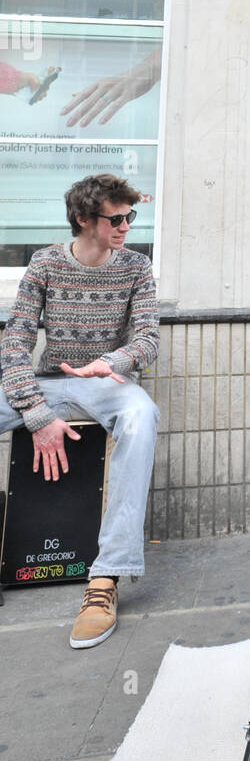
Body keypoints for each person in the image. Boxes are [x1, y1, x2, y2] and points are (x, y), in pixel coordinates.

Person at [0, 174, 159, 648]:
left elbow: (148, 339)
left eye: (131, 216)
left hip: (107, 383)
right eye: (117, 218)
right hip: (50, 383)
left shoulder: (136, 266)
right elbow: (15, 342)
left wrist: (111, 363)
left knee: (140, 416)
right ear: (83, 220)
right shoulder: (45, 263)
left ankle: (107, 576)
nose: (126, 225)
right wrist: (37, 414)